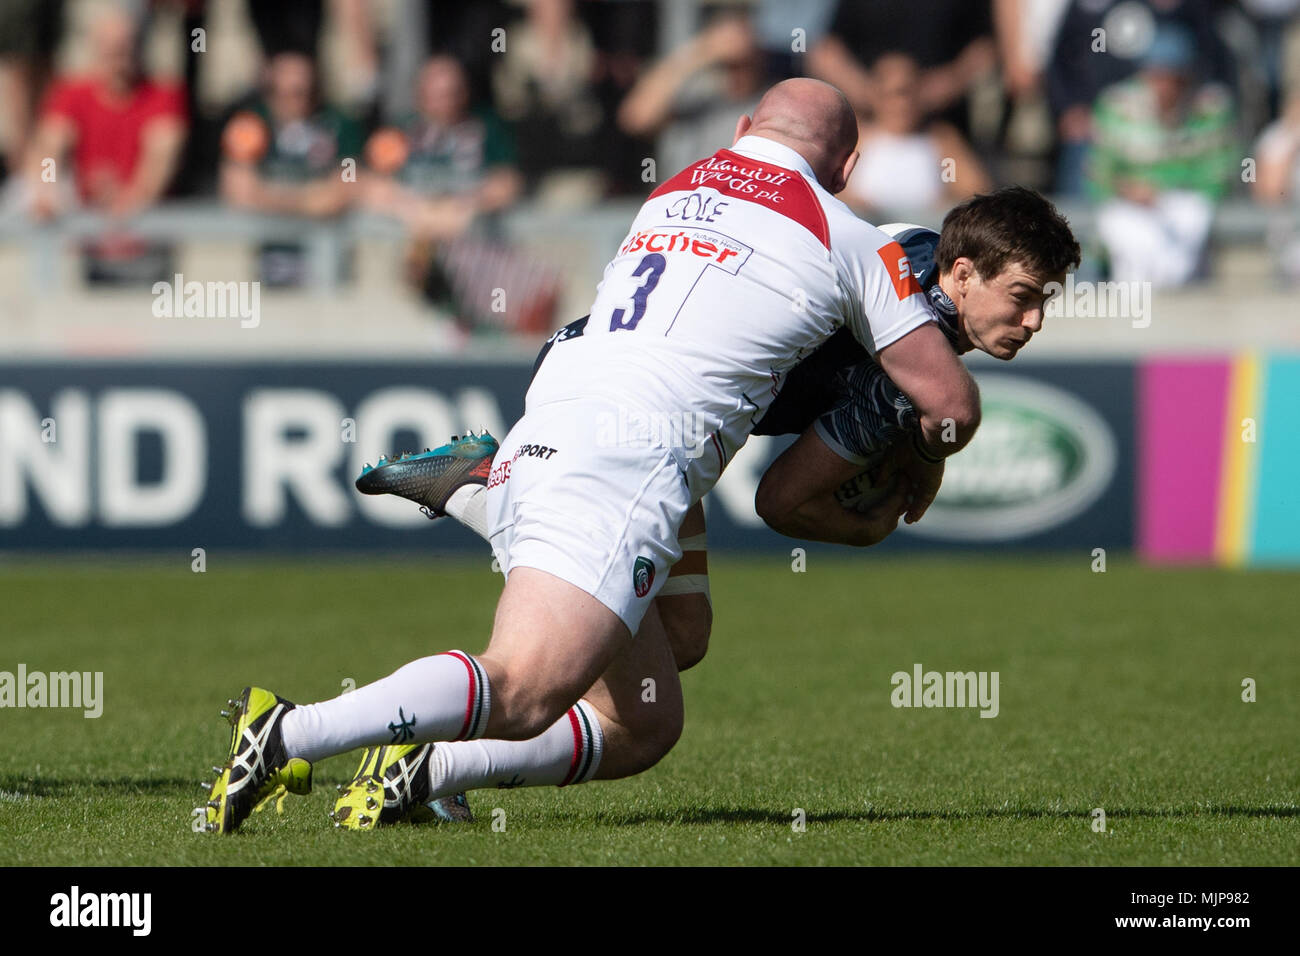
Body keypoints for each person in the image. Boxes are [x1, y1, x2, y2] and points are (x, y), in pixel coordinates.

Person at [199, 78, 1034, 834]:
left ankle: (431, 761)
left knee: (650, 705)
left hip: (567, 388)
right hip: (636, 448)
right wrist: (912, 474)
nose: (1031, 321)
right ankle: (291, 731)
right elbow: (946, 406)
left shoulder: (674, 189)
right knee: (527, 688)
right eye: (1028, 301)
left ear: (744, 129)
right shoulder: (846, 235)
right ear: (847, 165)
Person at [345, 184, 1079, 825]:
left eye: (1044, 301)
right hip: (640, 420)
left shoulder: (904, 248)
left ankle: (480, 504)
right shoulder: (895, 375)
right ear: (960, 273)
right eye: (1023, 296)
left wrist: (924, 452)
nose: (1035, 321)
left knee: (681, 637)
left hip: (604, 364)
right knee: (579, 677)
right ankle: (435, 746)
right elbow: (782, 500)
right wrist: (874, 524)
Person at [24, 5, 186, 284]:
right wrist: (47, 188)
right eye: (110, 49)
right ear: (96, 49)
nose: (118, 58)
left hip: (146, 238)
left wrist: (130, 197)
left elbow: (161, 155)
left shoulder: (163, 95)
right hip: (96, 238)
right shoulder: (73, 94)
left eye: (125, 48)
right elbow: (50, 149)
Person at [1088, 23, 1236, 286]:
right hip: (1128, 205)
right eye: (1158, 77)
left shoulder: (1210, 107)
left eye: (1174, 78)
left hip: (1184, 203)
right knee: (1127, 237)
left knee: (1188, 227)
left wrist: (1162, 191)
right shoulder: (1116, 106)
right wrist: (1127, 189)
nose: (1166, 87)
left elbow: (1217, 173)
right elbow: (1098, 172)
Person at [218, 51, 360, 286]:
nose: (290, 101)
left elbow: (344, 191)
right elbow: (239, 192)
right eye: (279, 92)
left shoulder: (340, 125)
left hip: (328, 257)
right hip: (271, 262)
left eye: (300, 92)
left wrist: (268, 195)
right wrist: (308, 200)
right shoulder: (250, 124)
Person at [842, 53, 992, 220]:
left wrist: (943, 203)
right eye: (894, 93)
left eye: (908, 93)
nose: (902, 104)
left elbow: (974, 189)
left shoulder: (941, 139)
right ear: (875, 94)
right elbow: (835, 190)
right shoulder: (856, 137)